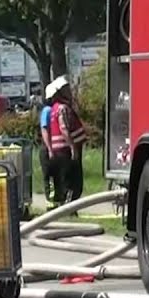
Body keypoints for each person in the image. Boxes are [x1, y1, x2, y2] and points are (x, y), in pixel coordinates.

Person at [46, 76, 87, 208]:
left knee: (64, 180)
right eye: (65, 89)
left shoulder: (54, 109)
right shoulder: (62, 108)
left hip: (59, 151)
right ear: (59, 92)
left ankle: (65, 207)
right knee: (73, 181)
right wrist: (73, 148)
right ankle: (69, 208)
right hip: (66, 150)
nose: (69, 91)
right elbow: (64, 129)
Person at [37, 90, 56, 209]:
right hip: (48, 147)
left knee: (54, 175)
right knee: (49, 175)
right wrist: (49, 148)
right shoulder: (47, 111)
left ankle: (55, 201)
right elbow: (44, 129)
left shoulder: (52, 110)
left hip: (53, 146)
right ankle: (50, 201)